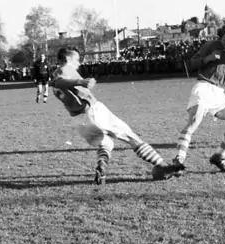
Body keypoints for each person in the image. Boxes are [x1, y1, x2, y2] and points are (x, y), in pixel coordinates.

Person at [50, 46, 179, 184]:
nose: (79, 63)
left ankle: (102, 165)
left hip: (79, 121)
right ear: (68, 58)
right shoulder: (65, 69)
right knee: (131, 137)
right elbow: (59, 81)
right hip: (93, 111)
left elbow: (56, 82)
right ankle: (162, 165)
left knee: (106, 143)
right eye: (77, 59)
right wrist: (80, 81)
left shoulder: (55, 74)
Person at [174, 17, 225, 173]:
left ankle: (219, 156)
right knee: (194, 121)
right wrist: (208, 58)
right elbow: (191, 64)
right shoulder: (209, 46)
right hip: (203, 87)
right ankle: (178, 160)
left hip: (219, 93)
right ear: (220, 38)